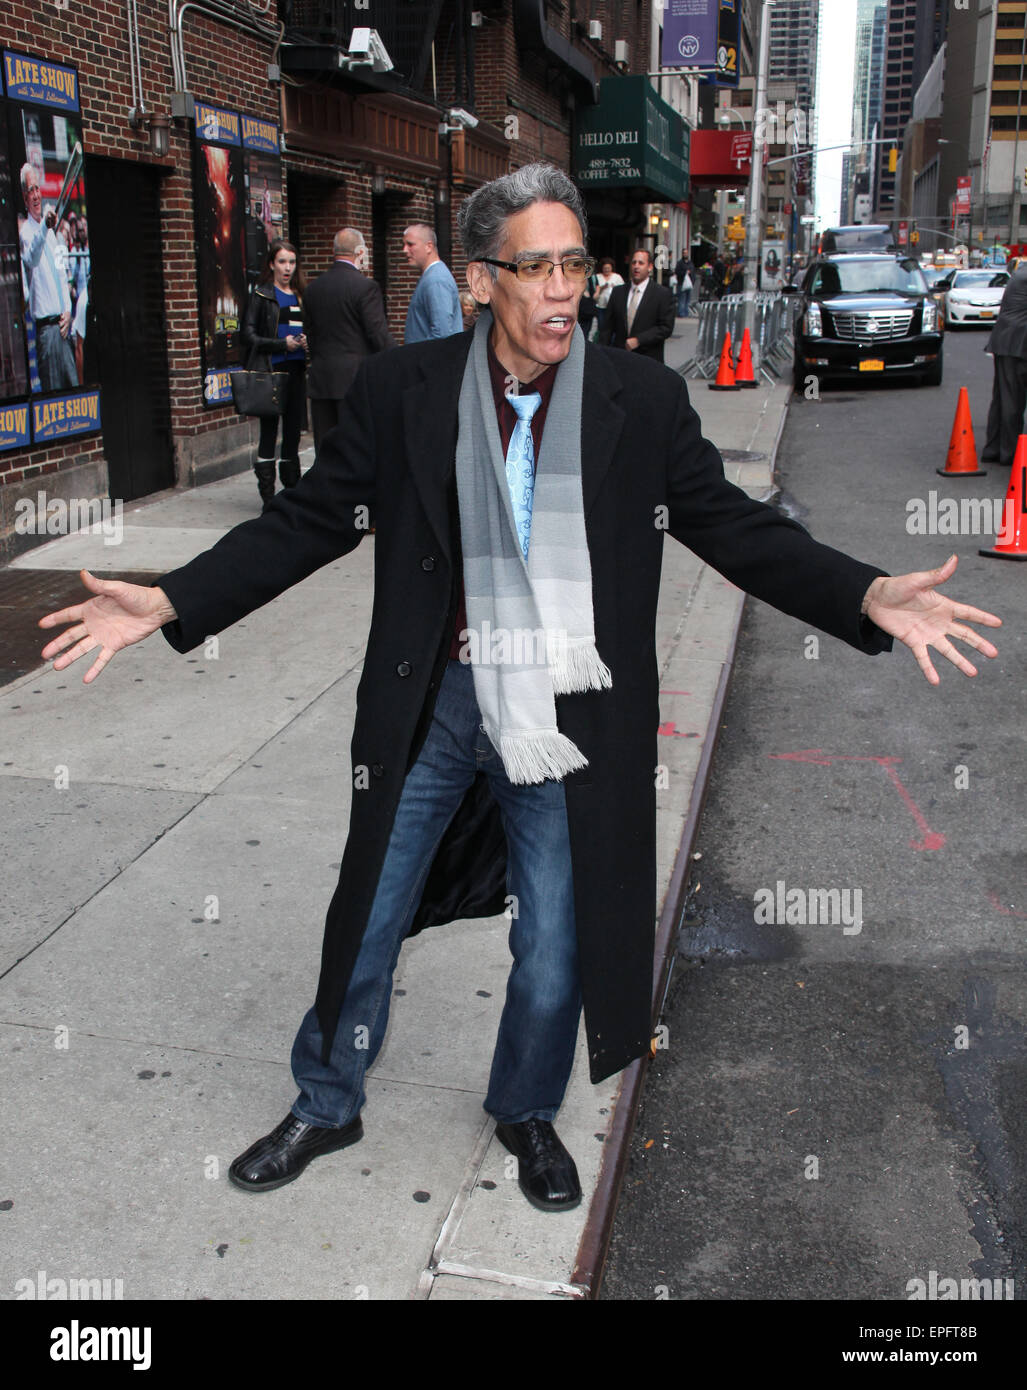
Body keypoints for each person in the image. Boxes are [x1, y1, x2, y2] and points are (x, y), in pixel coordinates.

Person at [39, 163, 1000, 1216]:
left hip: (566, 711)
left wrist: (863, 594)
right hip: (435, 704)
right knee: (366, 910)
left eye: (573, 264)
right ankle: (328, 1095)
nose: (560, 291)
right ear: (481, 278)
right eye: (533, 267)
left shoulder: (638, 399)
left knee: (555, 943)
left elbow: (734, 527)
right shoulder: (405, 390)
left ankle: (526, 1106)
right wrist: (175, 599)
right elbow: (306, 520)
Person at [303, 227, 397, 453]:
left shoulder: (313, 288)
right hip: (355, 381)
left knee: (325, 450)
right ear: (359, 252)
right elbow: (378, 335)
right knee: (356, 449)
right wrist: (397, 362)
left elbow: (312, 336)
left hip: (322, 379)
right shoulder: (366, 287)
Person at [241, 238, 308, 508]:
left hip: (297, 369)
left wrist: (306, 341)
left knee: (293, 432)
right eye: (282, 261)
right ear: (272, 264)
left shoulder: (303, 295)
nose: (287, 267)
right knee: (269, 432)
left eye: (291, 262)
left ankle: (292, 494)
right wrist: (282, 344)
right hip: (272, 370)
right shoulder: (261, 295)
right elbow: (248, 334)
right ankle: (268, 497)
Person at [19, 163, 77, 393]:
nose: (35, 195)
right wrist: (44, 226)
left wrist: (68, 309)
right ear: (25, 198)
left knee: (74, 393)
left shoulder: (51, 234)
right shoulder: (27, 233)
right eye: (30, 191)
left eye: (37, 189)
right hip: (46, 332)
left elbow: (62, 275)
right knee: (53, 396)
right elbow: (32, 257)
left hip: (63, 327)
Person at [982, 260, 1027, 467]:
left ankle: (994, 449)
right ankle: (1009, 453)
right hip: (1016, 341)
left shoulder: (1022, 271)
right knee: (1011, 402)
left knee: (1002, 398)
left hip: (1007, 339)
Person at [599, 247, 676, 362]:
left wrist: (639, 340)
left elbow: (665, 328)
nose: (636, 266)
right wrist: (602, 355)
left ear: (649, 267)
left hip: (648, 360)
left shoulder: (662, 294)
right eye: (634, 262)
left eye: (641, 263)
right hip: (620, 358)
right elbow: (607, 328)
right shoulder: (618, 292)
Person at [402, 222, 463, 342]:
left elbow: (442, 333)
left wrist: (420, 358)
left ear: (429, 246)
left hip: (431, 359)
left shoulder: (436, 280)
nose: (404, 250)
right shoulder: (433, 276)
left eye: (410, 244)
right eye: (404, 245)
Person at [591, 256, 623, 343]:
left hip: (613, 307)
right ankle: (602, 344)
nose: (607, 270)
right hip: (600, 306)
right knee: (602, 327)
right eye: (605, 268)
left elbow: (622, 291)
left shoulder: (617, 277)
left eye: (608, 268)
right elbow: (593, 292)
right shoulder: (597, 277)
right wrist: (602, 288)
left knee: (613, 327)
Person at [673, 250, 695, 318]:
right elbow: (677, 272)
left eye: (686, 253)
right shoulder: (680, 263)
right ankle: (681, 313)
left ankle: (686, 313)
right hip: (681, 284)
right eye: (684, 253)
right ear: (682, 254)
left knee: (687, 300)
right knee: (682, 299)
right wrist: (685, 272)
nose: (685, 254)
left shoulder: (690, 263)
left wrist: (692, 281)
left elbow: (693, 272)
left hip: (689, 284)